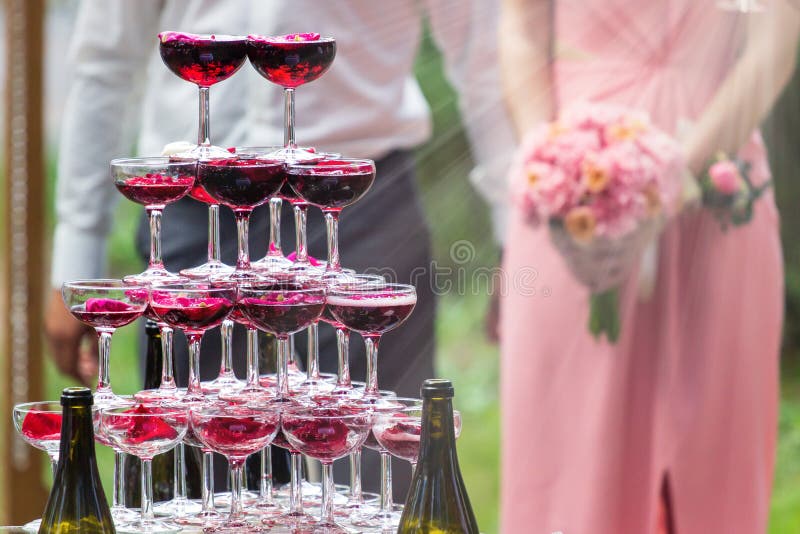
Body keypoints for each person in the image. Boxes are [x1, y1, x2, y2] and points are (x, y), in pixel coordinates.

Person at [43, 0, 513, 496]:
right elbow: (105, 58)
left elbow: (479, 48)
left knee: (376, 478)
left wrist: (512, 231)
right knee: (197, 483)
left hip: (359, 208)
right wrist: (78, 251)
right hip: (195, 216)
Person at [490, 0, 800, 532]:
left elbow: (773, 45)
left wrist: (670, 178)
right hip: (578, 194)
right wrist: (554, 167)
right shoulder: (569, 181)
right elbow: (521, 29)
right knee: (573, 447)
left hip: (717, 181)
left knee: (711, 448)